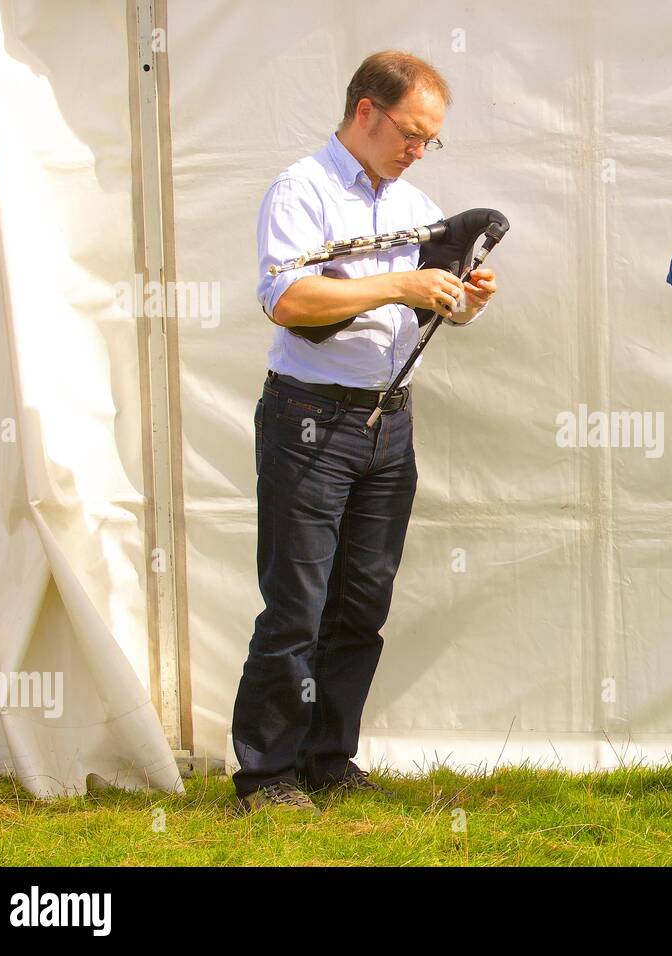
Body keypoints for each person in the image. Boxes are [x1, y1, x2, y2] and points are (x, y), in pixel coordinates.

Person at [231, 50, 498, 815]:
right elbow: (286, 299)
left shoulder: (415, 203)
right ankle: (265, 776)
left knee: (361, 602)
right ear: (365, 112)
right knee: (296, 603)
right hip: (310, 418)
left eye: (430, 141)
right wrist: (403, 280)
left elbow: (414, 310)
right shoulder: (302, 189)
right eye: (411, 133)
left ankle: (325, 756)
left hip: (389, 419)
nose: (418, 150)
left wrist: (457, 297)